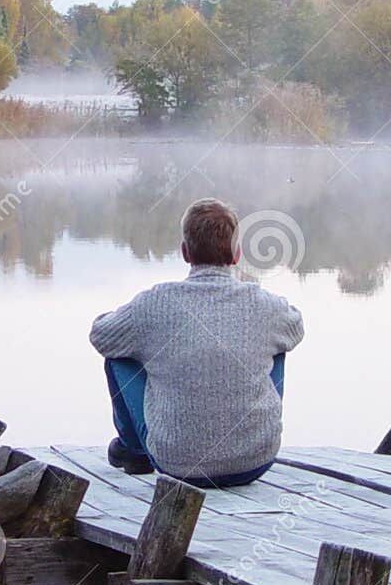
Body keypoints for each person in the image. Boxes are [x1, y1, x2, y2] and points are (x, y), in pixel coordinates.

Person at [88, 198, 304, 488]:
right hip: (255, 462)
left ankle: (134, 451)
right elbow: (296, 327)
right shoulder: (263, 304)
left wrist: (141, 335)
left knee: (119, 356)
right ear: (236, 254)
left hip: (178, 466)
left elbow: (102, 336)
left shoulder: (155, 302)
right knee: (277, 346)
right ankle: (253, 435)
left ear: (185, 252)